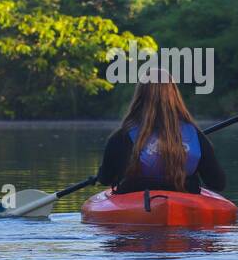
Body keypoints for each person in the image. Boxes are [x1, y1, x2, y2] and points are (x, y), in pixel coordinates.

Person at [96, 77, 226, 195]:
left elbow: (105, 179)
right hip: (185, 199)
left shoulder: (121, 137)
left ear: (139, 97)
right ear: (174, 96)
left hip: (137, 204)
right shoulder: (195, 135)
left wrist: (101, 173)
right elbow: (218, 183)